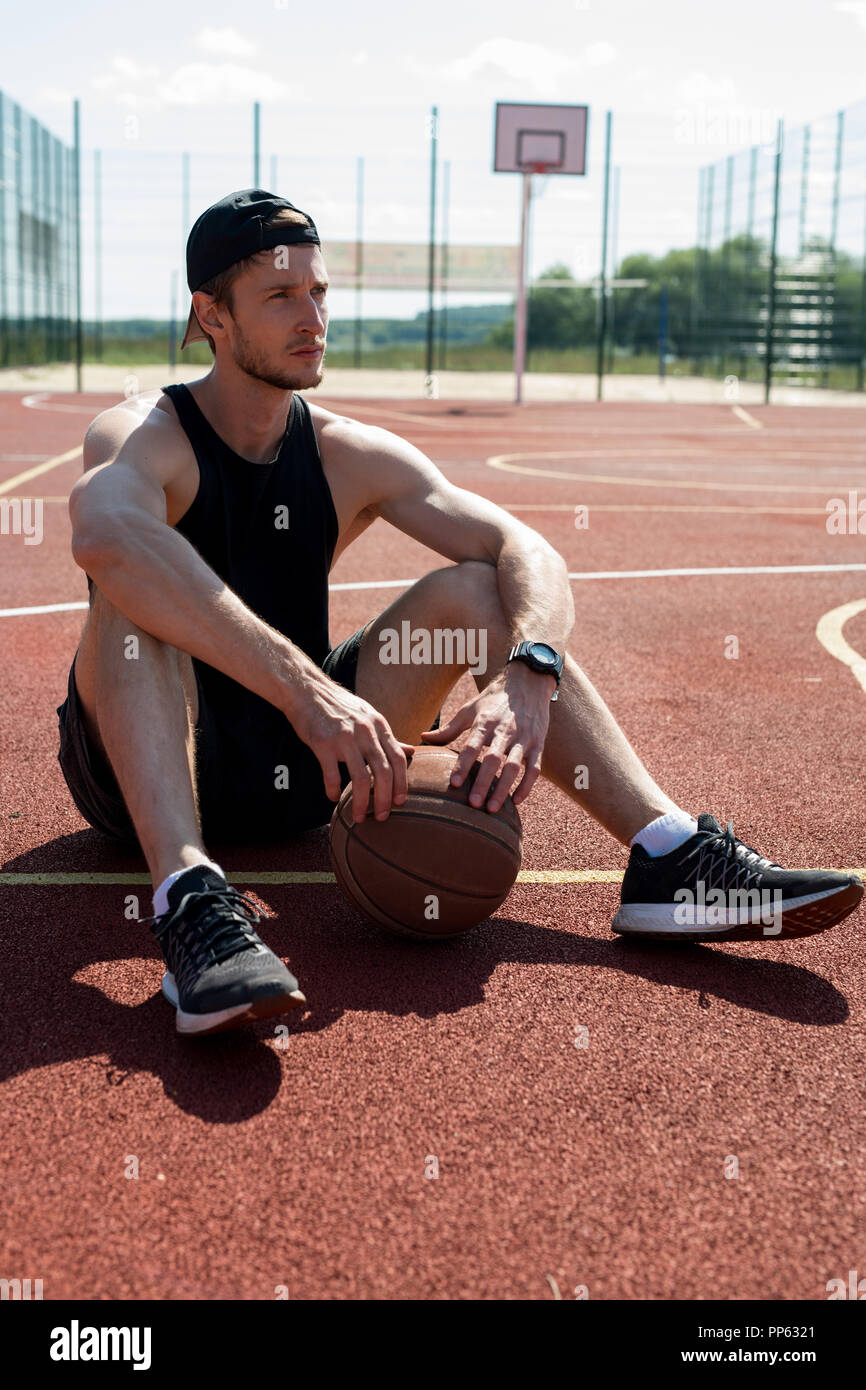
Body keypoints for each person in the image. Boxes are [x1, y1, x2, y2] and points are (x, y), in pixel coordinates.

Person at [57, 189, 863, 1037]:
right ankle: (189, 899)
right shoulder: (144, 432)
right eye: (281, 296)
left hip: (304, 761)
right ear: (211, 315)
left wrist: (531, 673)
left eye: (320, 293)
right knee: (127, 594)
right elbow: (105, 529)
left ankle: (667, 855)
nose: (312, 317)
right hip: (138, 766)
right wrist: (306, 689)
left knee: (480, 590)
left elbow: (529, 552)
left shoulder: (345, 452)